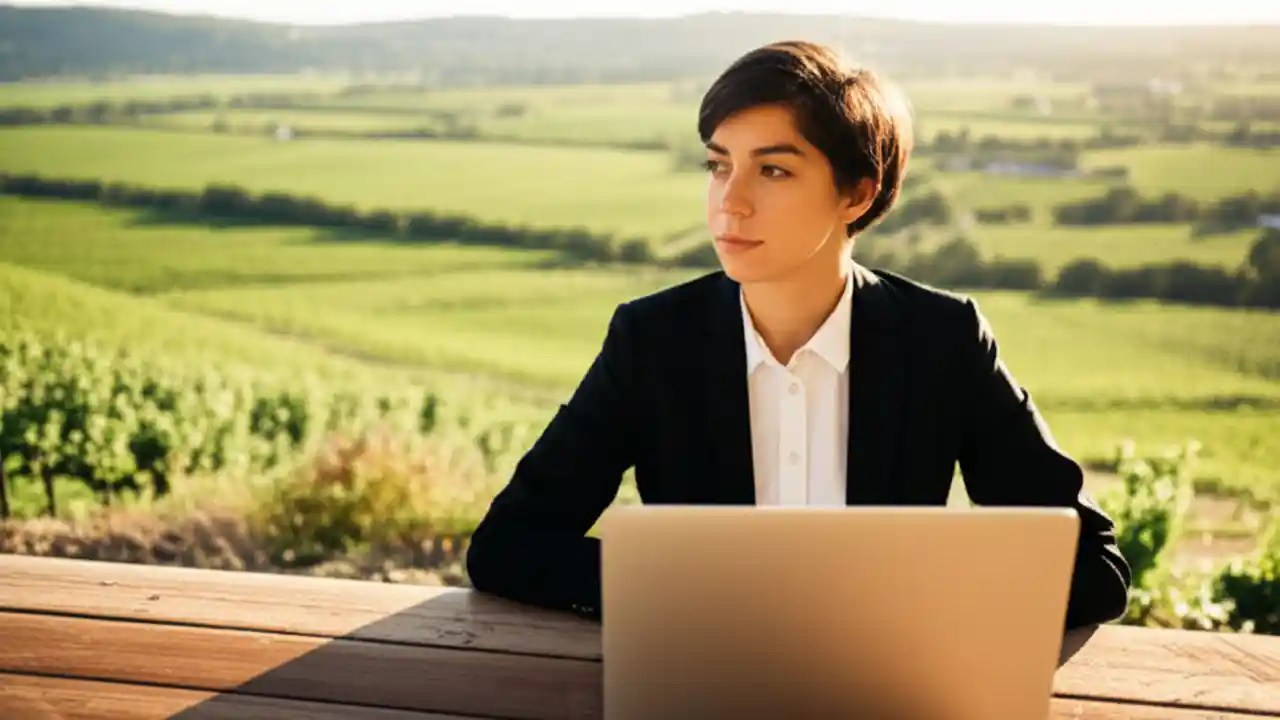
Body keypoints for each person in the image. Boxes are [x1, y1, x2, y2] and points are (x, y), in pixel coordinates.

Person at [465, 40, 1131, 632]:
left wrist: (906, 602)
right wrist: (696, 598)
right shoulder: (652, 341)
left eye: (773, 169)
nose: (731, 200)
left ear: (857, 194)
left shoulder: (942, 340)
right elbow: (508, 545)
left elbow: (1096, 569)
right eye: (719, 165)